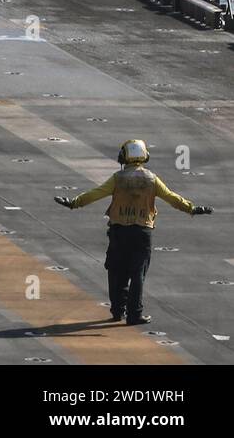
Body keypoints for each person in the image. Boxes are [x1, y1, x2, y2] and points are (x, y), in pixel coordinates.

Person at [56, 139, 212, 325]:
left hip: (119, 231)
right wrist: (192, 208)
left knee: (116, 270)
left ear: (124, 156)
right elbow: (172, 197)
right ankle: (134, 314)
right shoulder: (152, 179)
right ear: (145, 156)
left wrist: (74, 203)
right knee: (138, 274)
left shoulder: (118, 178)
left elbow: (95, 193)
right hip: (142, 232)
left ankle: (117, 311)